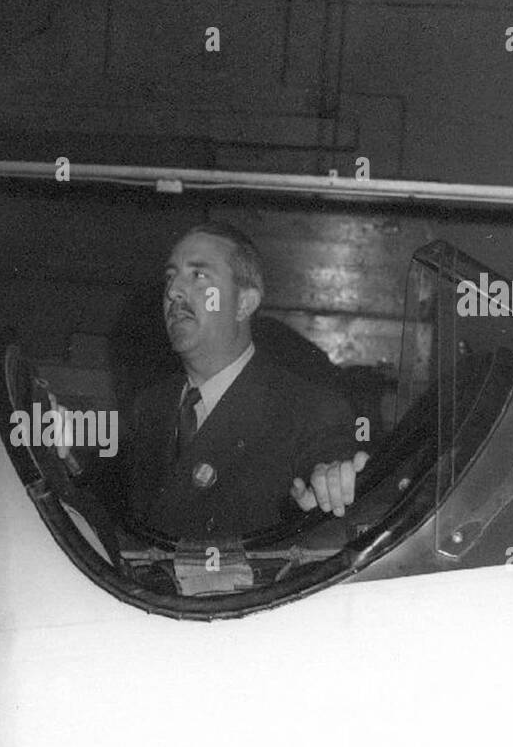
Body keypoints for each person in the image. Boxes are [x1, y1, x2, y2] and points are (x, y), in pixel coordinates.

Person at [123, 222, 367, 541]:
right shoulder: (149, 407)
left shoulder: (309, 409)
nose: (173, 292)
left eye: (198, 276)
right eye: (171, 277)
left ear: (244, 304)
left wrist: (333, 478)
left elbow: (329, 463)